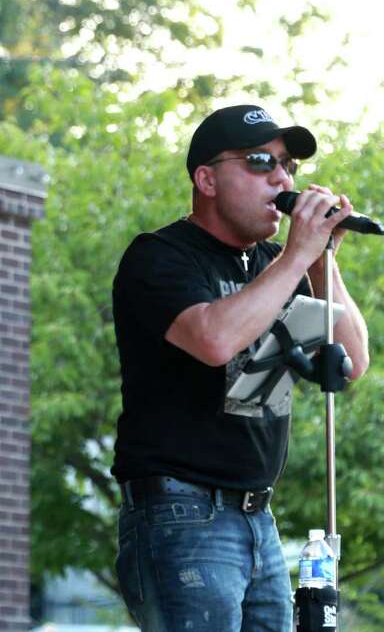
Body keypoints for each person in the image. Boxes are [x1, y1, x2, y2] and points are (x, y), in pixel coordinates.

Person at [111, 104, 370, 631]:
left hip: (258, 516)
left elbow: (351, 362)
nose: (281, 177)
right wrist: (296, 257)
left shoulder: (282, 262)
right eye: (260, 161)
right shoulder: (160, 257)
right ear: (206, 179)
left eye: (288, 166)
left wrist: (322, 260)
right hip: (182, 513)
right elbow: (214, 339)